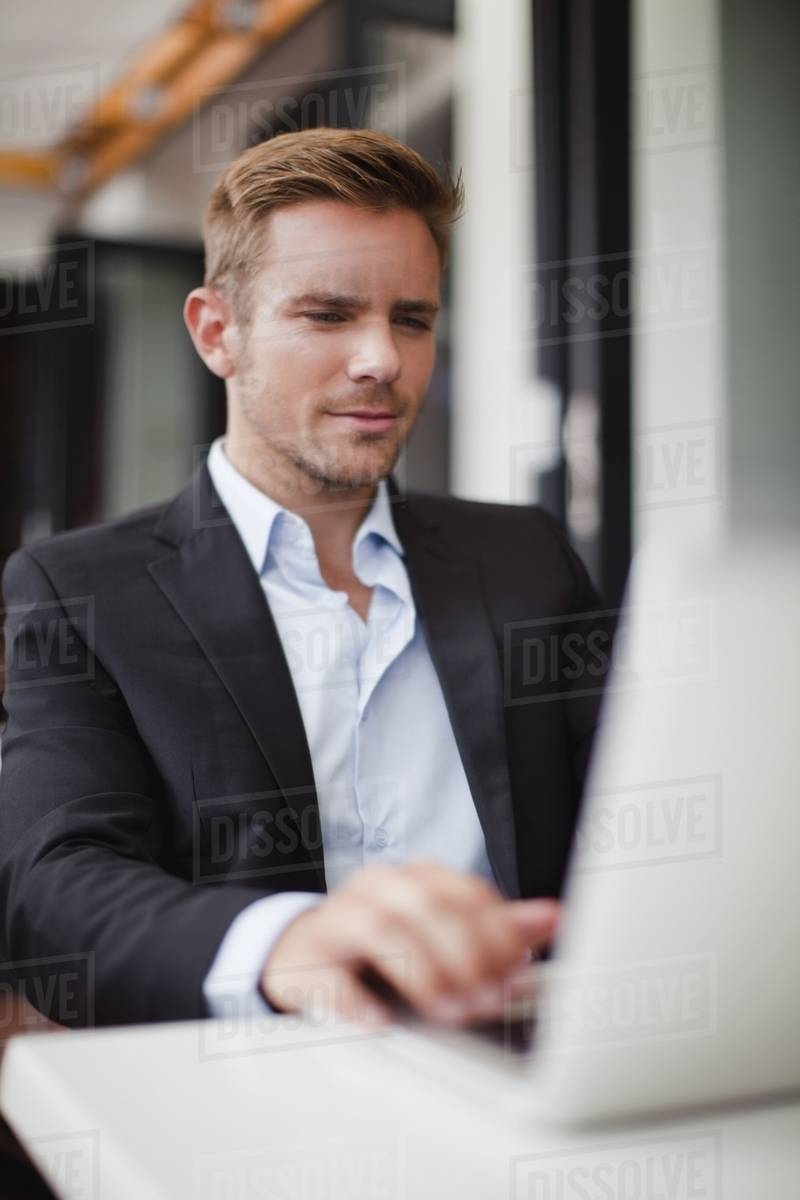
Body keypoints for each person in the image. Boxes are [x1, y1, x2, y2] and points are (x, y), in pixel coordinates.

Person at [0, 127, 612, 1030]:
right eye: (328, 315)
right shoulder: (79, 590)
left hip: (528, 1067)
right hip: (255, 1098)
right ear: (218, 333)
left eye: (412, 318)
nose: (383, 360)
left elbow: (626, 806)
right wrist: (283, 945)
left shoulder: (525, 558)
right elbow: (49, 887)